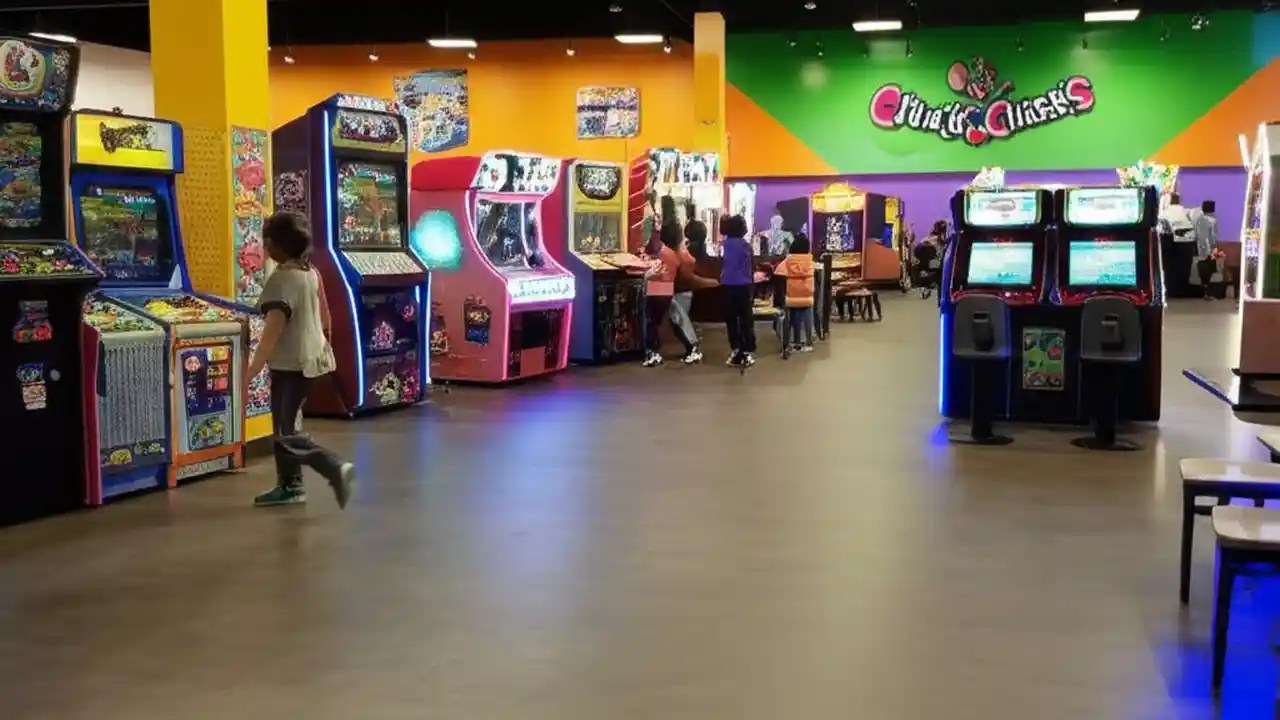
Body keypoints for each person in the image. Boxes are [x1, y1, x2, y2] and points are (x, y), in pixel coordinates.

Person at [248, 211, 355, 508]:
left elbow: (271, 333)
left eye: (268, 240)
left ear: (280, 244)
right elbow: (325, 319)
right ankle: (290, 485)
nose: (265, 245)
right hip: (309, 360)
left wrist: (248, 374)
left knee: (285, 432)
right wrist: (324, 348)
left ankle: (333, 466)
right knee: (288, 424)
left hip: (290, 364)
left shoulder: (282, 280)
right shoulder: (311, 273)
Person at [670, 210, 717, 364]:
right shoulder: (695, 250)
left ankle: (692, 346)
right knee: (681, 318)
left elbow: (687, 276)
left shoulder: (685, 251)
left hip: (681, 289)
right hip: (689, 290)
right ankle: (692, 345)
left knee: (679, 318)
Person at [642, 203, 681, 368]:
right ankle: (655, 350)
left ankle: (652, 351)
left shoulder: (660, 252)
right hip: (667, 288)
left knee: (650, 320)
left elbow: (653, 271)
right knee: (656, 322)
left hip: (657, 287)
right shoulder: (671, 254)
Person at [720, 214, 757, 367]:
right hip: (744, 285)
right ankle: (746, 351)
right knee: (745, 319)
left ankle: (735, 348)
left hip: (727, 285)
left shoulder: (725, 245)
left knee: (731, 319)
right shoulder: (745, 246)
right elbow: (750, 267)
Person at [774, 233, 816, 352]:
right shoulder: (810, 262)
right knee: (807, 309)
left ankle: (789, 343)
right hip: (807, 298)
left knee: (788, 313)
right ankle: (808, 342)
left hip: (791, 299)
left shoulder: (787, 262)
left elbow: (778, 272)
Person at [1160, 193, 1196, 298]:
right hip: (1188, 241)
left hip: (1170, 241)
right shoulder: (1185, 212)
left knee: (1169, 267)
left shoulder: (1164, 212)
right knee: (1184, 268)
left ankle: (1170, 289)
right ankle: (1181, 289)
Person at [1191, 199, 1220, 300]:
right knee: (1207, 271)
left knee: (1204, 271)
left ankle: (1204, 291)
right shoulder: (1211, 220)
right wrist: (1211, 249)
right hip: (1207, 250)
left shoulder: (1199, 219)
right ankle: (1206, 292)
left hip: (1201, 248)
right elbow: (1211, 237)